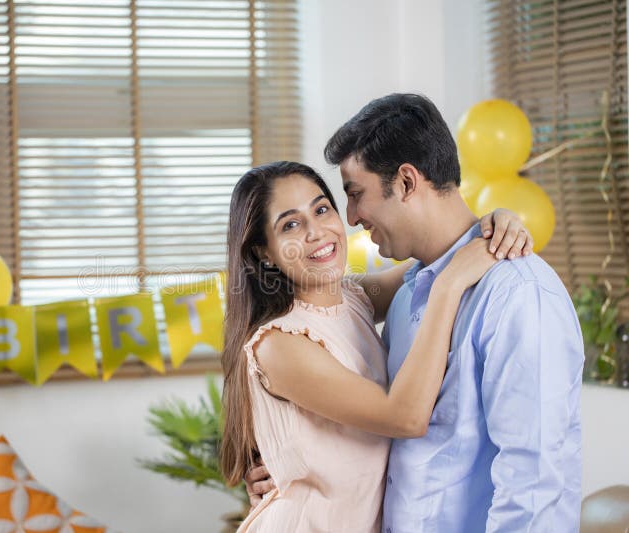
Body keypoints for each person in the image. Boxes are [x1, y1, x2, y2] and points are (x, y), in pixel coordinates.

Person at [248, 94, 584, 532]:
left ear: (406, 182)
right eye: (291, 224)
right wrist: (303, 469)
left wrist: (495, 221)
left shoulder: (518, 293)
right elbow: (392, 430)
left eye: (353, 195)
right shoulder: (406, 293)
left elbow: (537, 486)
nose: (350, 219)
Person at [220, 160, 532, 532]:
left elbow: (444, 249)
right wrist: (449, 288)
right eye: (290, 225)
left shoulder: (354, 299)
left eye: (321, 209)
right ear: (264, 253)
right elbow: (405, 416)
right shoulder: (279, 345)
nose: (317, 232)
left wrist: (497, 221)